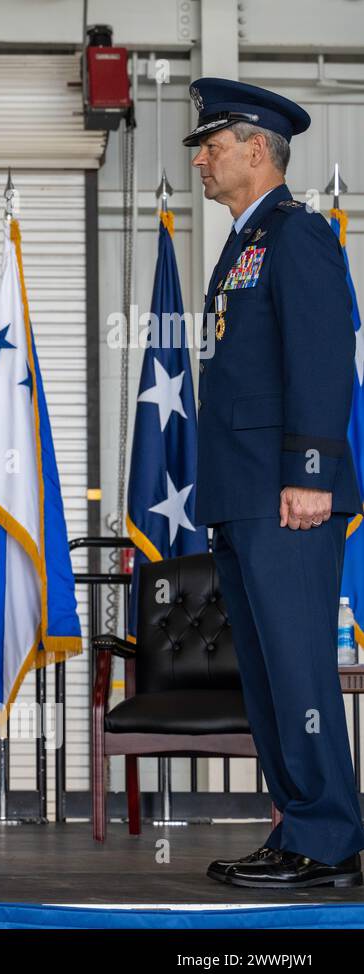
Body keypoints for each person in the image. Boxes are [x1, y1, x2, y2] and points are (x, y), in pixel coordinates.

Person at [185, 78, 364, 889]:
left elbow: (325, 357)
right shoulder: (243, 241)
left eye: (211, 145)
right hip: (243, 492)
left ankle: (329, 839)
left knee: (297, 667)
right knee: (265, 674)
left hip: (289, 495)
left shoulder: (297, 236)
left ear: (257, 148)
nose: (199, 158)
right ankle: (298, 829)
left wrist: (313, 474)